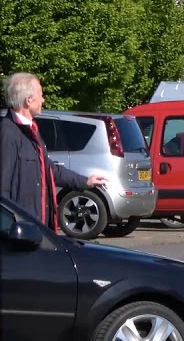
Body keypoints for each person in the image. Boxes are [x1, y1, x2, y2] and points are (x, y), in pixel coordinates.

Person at [0, 72, 108, 228]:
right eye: (41, 95)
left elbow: (48, 169)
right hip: (19, 233)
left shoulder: (31, 130)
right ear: (28, 100)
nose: (43, 100)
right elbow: (3, 187)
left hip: (37, 228)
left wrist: (85, 181)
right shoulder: (7, 132)